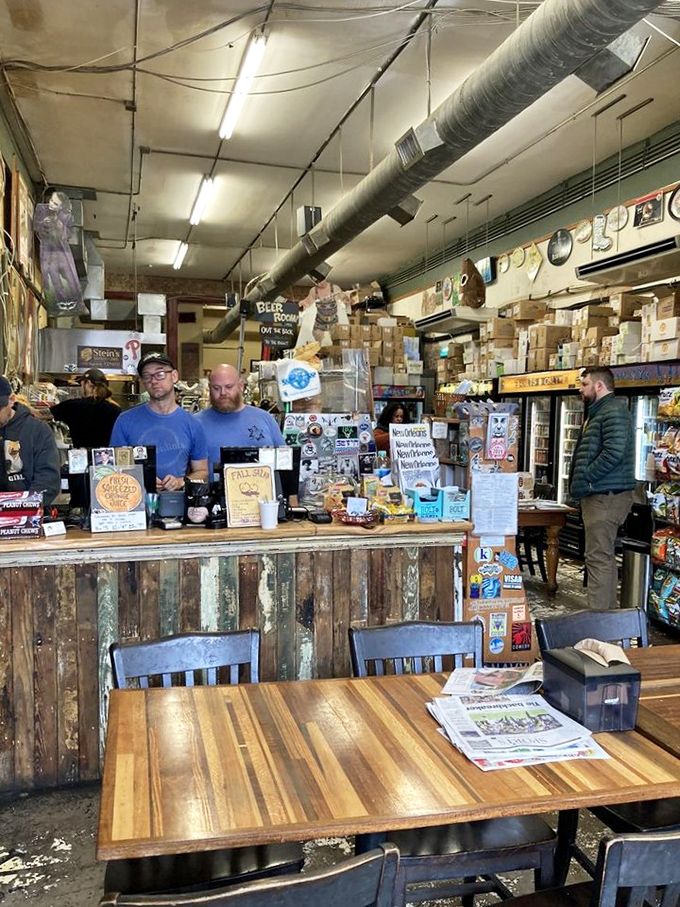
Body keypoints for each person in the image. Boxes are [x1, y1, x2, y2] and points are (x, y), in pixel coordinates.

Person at [570, 366, 636, 610]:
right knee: (600, 557)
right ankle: (606, 617)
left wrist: (588, 478)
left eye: (584, 383)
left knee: (598, 558)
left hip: (606, 496)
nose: (581, 388)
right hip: (601, 494)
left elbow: (614, 451)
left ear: (599, 385)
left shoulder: (613, 411)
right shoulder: (601, 412)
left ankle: (600, 621)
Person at [110, 353, 208, 491]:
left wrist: (181, 481)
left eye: (160, 374)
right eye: (147, 376)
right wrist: (140, 478)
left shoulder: (193, 424)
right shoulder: (125, 421)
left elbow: (202, 472)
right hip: (135, 504)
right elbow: (114, 469)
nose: (154, 381)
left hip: (176, 504)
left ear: (174, 376)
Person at [195, 364, 285, 477]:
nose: (223, 393)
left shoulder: (265, 418)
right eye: (216, 388)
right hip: (214, 493)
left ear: (241, 386)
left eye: (229, 387)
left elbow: (285, 462)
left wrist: (291, 494)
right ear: (209, 388)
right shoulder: (196, 423)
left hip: (263, 492)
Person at [0, 375, 61, 504]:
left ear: (11, 400)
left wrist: (23, 508)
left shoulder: (38, 431)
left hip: (26, 516)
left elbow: (48, 479)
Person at [47, 368, 120, 448]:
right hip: (105, 458)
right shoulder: (115, 409)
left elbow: (41, 415)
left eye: (81, 385)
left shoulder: (72, 406)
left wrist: (30, 408)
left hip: (80, 457)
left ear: (88, 383)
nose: (81, 388)